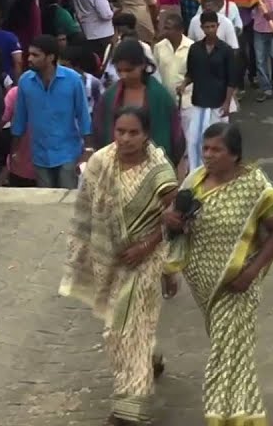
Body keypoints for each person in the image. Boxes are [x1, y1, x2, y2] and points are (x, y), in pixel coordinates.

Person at [163, 122, 273, 426]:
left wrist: (251, 272)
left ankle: (218, 416)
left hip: (238, 284)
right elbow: (174, 225)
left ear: (234, 155)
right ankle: (246, 416)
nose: (208, 155)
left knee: (224, 351)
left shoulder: (255, 187)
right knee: (235, 352)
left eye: (216, 149)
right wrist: (170, 221)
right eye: (205, 148)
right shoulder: (194, 181)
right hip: (205, 285)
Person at [60, 107, 178, 425]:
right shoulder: (101, 162)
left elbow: (177, 218)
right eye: (120, 131)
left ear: (146, 135)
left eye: (133, 133)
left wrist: (149, 249)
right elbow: (85, 210)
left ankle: (129, 407)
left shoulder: (159, 171)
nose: (125, 139)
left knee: (120, 330)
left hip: (147, 259)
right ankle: (149, 358)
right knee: (134, 326)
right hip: (112, 259)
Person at [11, 36, 92, 190]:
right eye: (29, 54)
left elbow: (83, 115)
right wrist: (14, 150)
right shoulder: (25, 82)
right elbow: (19, 118)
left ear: (50, 57)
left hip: (68, 151)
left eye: (36, 55)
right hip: (39, 152)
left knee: (66, 197)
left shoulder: (73, 80)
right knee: (45, 200)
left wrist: (88, 149)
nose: (29, 59)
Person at [92, 40, 183, 167]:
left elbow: (175, 135)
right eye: (120, 70)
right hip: (116, 167)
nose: (124, 75)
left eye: (129, 70)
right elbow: (100, 131)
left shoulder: (160, 96)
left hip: (152, 168)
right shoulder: (109, 96)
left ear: (143, 65)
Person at [178, 11, 240, 171]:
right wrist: (184, 84)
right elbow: (191, 73)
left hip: (218, 103)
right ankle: (196, 172)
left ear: (218, 26)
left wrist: (227, 104)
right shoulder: (195, 49)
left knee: (218, 141)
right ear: (202, 28)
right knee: (194, 140)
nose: (210, 30)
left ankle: (220, 170)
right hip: (199, 101)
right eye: (207, 27)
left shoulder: (226, 50)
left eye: (213, 26)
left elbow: (231, 79)